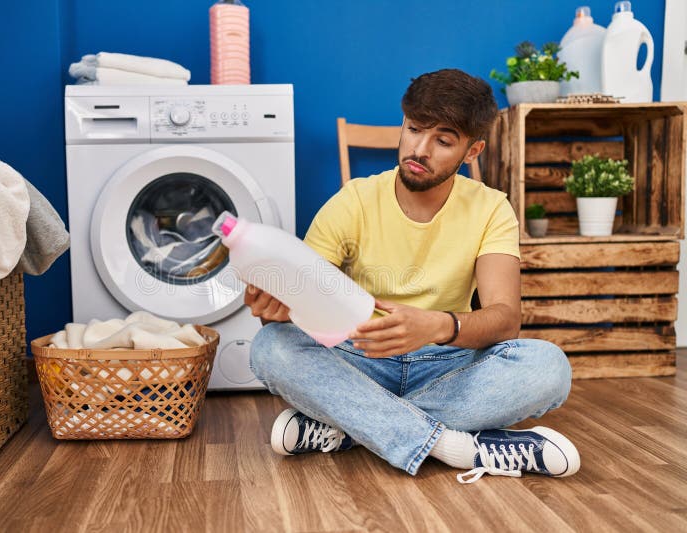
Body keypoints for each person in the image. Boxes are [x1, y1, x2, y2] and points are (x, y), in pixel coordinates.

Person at [244, 69, 580, 484]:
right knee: (271, 346)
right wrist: (278, 308)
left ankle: (348, 427)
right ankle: (457, 448)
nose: (419, 149)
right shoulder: (354, 201)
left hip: (450, 363)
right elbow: (311, 301)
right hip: (361, 357)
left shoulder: (491, 208)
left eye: (442, 140)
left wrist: (437, 326)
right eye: (414, 129)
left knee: (549, 367)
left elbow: (505, 319)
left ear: (471, 150)